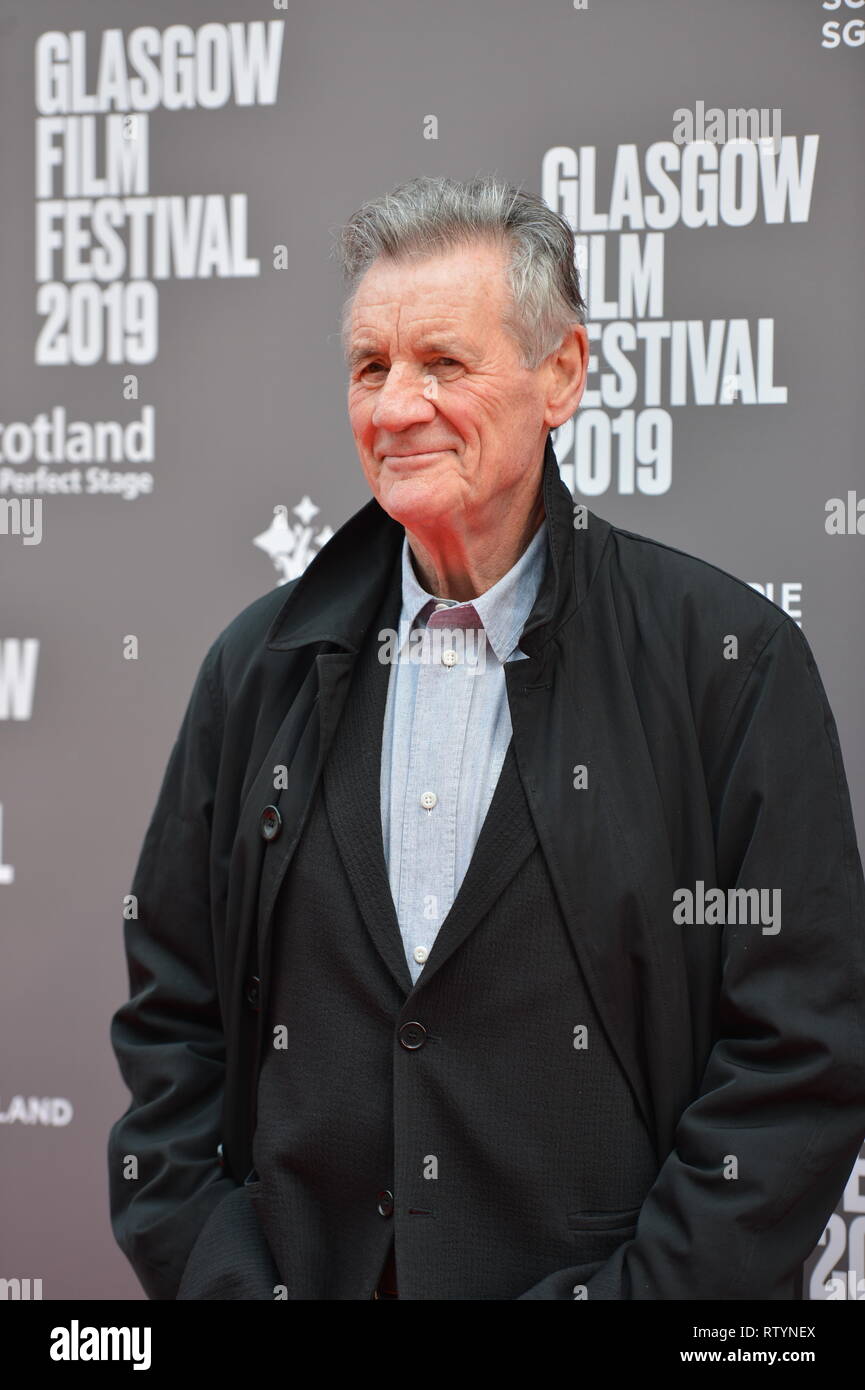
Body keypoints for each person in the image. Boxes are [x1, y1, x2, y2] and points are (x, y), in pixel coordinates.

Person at [108, 174, 865, 1300]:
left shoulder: (728, 664)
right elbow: (173, 1033)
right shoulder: (257, 667)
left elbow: (797, 1063)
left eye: (442, 363)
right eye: (370, 366)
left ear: (560, 375)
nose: (394, 407)